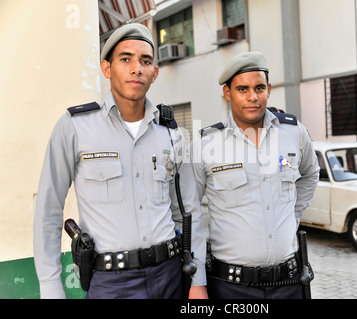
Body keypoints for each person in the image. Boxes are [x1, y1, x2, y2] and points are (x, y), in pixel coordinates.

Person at [33, 23, 207, 299]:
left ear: (154, 73)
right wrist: (51, 287)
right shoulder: (74, 127)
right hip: (110, 283)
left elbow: (188, 213)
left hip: (170, 276)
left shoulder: (171, 134)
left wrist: (198, 281)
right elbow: (48, 210)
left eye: (145, 61)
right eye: (125, 59)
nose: (137, 68)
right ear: (106, 68)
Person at [191, 51, 319, 298]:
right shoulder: (206, 144)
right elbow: (190, 213)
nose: (253, 97)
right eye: (242, 89)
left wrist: (292, 216)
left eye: (259, 88)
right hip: (231, 287)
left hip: (289, 283)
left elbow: (311, 174)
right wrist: (197, 281)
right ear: (228, 93)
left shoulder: (293, 132)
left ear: (269, 89)